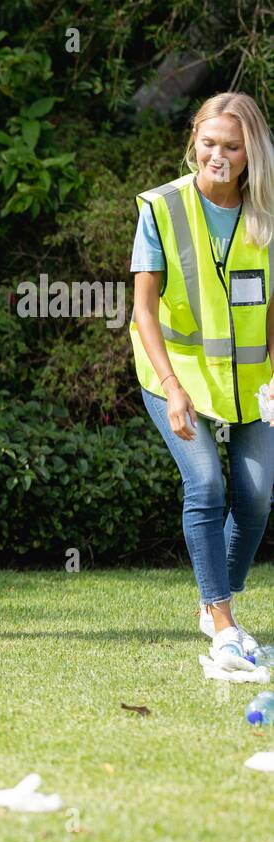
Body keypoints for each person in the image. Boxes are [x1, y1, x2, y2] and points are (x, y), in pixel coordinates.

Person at [129, 91, 274, 659]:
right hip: (174, 374)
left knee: (259, 496)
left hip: (250, 381)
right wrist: (171, 389)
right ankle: (221, 620)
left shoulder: (267, 211)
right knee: (207, 485)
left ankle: (217, 600)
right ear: (194, 142)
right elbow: (143, 309)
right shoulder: (161, 209)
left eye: (232, 147)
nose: (219, 155)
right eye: (209, 143)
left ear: (250, 151)